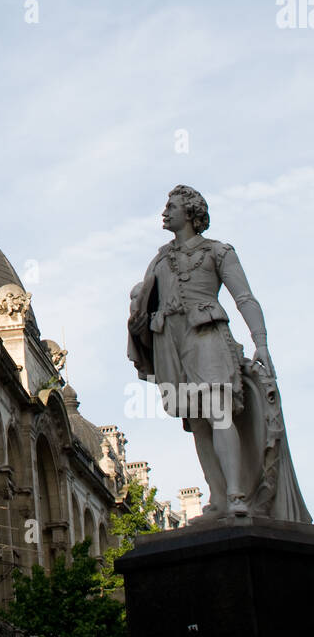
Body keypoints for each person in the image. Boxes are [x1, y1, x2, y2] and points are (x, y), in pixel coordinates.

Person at [128, 185, 310, 522]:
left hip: (206, 334)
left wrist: (262, 342)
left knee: (218, 412)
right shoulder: (159, 259)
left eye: (172, 206)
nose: (165, 212)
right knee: (196, 421)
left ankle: (237, 495)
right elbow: (143, 302)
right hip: (171, 339)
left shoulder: (217, 252)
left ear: (192, 213)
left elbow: (245, 298)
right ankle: (218, 497)